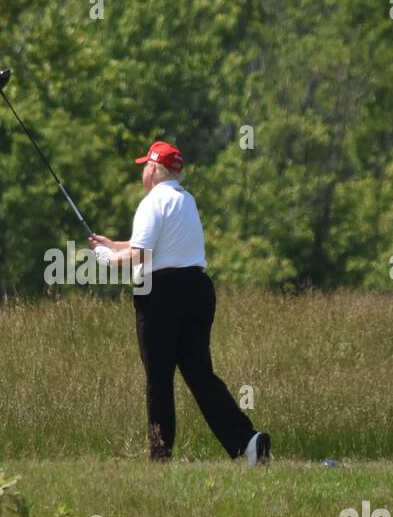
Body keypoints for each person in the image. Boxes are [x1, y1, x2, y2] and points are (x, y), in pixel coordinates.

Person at [90, 141, 271, 465]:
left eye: (146, 164)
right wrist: (113, 243)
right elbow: (156, 244)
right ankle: (247, 442)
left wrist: (108, 259)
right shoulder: (187, 201)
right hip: (197, 289)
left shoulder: (151, 202)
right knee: (201, 375)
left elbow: (141, 255)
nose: (143, 170)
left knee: (159, 378)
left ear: (155, 170)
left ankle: (160, 455)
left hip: (160, 293)